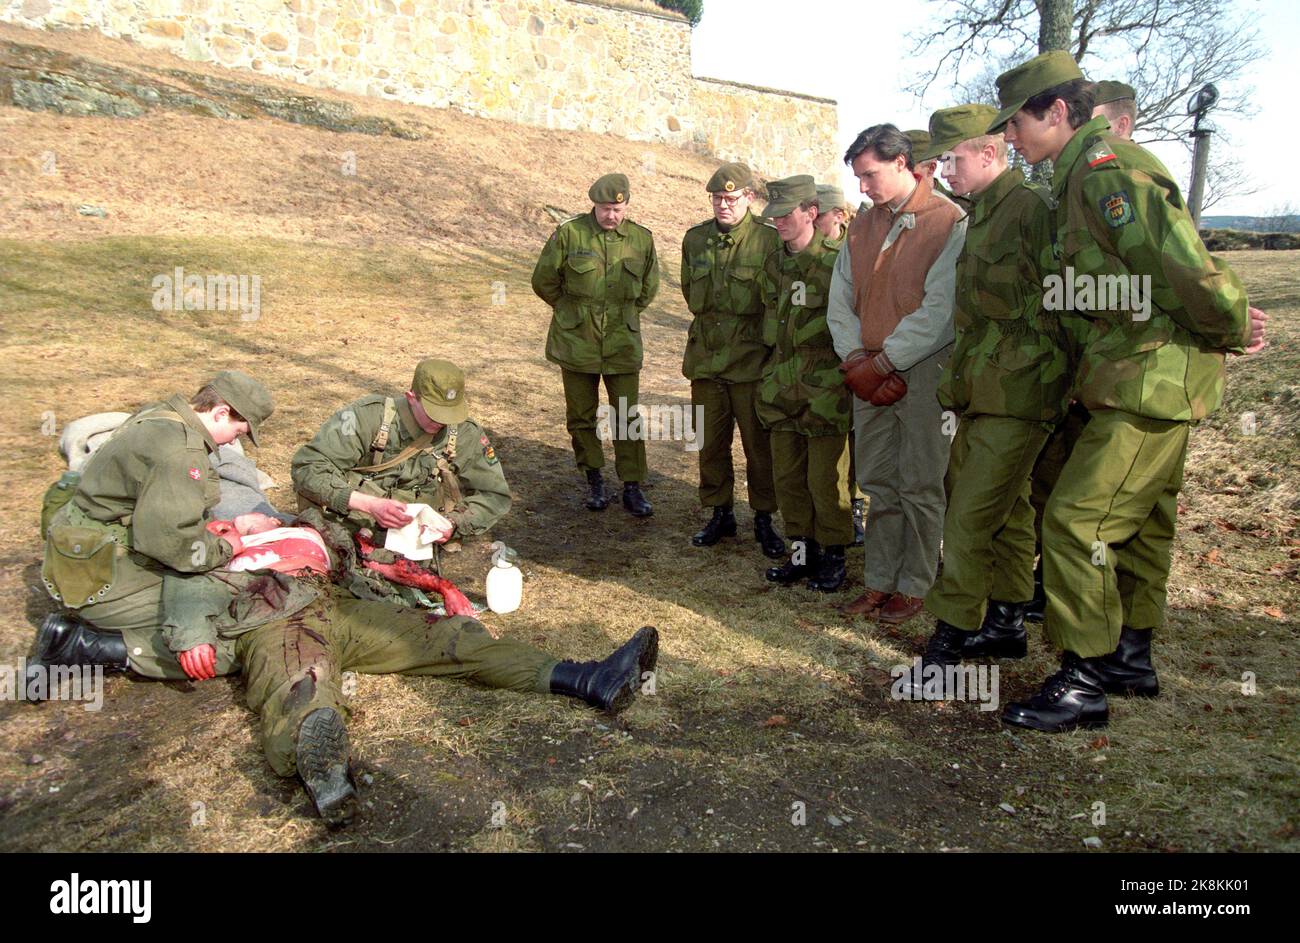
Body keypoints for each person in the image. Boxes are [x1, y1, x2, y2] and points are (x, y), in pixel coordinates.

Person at [31, 371, 659, 823]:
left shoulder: (261, 512)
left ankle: (584, 678)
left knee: (447, 639)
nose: (234, 446)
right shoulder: (219, 465)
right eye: (238, 431)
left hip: (330, 601)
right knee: (299, 686)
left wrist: (433, 544)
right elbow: (185, 562)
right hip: (276, 613)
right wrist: (254, 550)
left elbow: (493, 497)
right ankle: (323, 768)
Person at [989, 51, 1267, 732]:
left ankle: (1083, 678)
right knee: (1141, 521)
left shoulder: (1108, 173)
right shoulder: (1075, 176)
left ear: (1056, 112)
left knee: (1077, 521)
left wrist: (1232, 323)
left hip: (1152, 376)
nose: (1009, 138)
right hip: (1131, 373)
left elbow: (1180, 263)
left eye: (1016, 123)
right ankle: (1129, 655)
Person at [898, 104, 1070, 692]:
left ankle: (946, 642)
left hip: (1023, 389)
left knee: (969, 514)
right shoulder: (984, 215)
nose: (944, 171)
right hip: (984, 388)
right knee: (1010, 508)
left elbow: (1068, 299)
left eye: (952, 158)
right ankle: (1005, 620)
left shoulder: (1032, 212)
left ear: (990, 153)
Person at [828, 124, 967, 625]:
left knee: (921, 482)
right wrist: (856, 362)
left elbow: (940, 310)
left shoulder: (947, 220)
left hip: (924, 370)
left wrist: (884, 363)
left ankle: (917, 584)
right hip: (866, 370)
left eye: (870, 175)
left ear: (903, 163)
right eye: (859, 178)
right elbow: (840, 299)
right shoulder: (863, 226)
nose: (862, 188)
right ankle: (880, 580)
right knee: (877, 481)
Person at [291, 359, 509, 606]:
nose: (442, 423)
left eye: (450, 414)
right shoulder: (367, 417)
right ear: (411, 397)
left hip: (413, 549)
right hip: (346, 533)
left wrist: (452, 523)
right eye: (434, 412)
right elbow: (307, 467)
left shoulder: (464, 433)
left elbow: (494, 495)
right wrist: (368, 504)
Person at [531, 172, 660, 517]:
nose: (611, 216)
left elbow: (647, 288)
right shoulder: (570, 234)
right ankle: (594, 479)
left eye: (618, 209)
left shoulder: (641, 239)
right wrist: (572, 310)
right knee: (582, 415)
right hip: (577, 342)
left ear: (626, 205)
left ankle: (632, 486)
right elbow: (543, 280)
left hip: (621, 342)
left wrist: (620, 315)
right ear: (594, 205)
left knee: (626, 415)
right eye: (605, 209)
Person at [680, 161, 785, 557]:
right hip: (706, 361)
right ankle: (719, 512)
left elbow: (774, 304)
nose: (723, 205)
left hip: (751, 364)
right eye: (717, 198)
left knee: (758, 447)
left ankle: (763, 516)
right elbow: (692, 294)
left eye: (731, 198)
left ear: (750, 198)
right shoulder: (695, 240)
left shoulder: (768, 241)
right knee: (708, 443)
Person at [756, 175, 853, 593]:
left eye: (785, 214)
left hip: (825, 390)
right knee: (789, 481)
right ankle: (801, 555)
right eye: (773, 215)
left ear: (811, 213)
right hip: (781, 388)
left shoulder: (837, 263)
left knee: (826, 481)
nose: (777, 222)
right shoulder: (774, 263)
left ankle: (834, 559)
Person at [815, 183, 866, 545]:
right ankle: (840, 512)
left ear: (838, 215)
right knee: (837, 449)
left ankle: (858, 507)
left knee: (860, 438)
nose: (813, 221)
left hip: (861, 359)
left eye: (819, 215)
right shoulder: (810, 253)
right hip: (826, 361)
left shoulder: (857, 251)